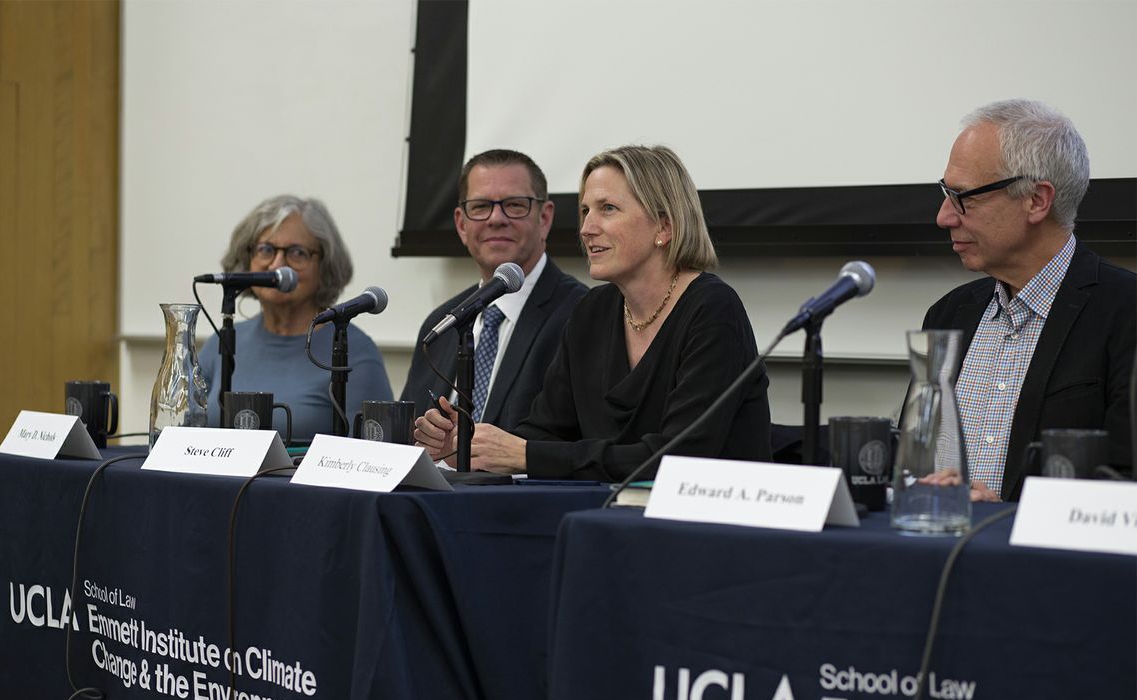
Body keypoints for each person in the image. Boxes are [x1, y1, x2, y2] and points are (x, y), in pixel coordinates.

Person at [416, 145, 772, 481]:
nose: (587, 229)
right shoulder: (593, 312)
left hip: (705, 529)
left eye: (608, 209)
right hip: (606, 520)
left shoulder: (712, 310)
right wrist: (469, 446)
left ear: (663, 227)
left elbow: (680, 458)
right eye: (586, 211)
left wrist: (526, 454)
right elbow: (544, 432)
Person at [922, 99, 1135, 502]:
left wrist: (1006, 517)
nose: (944, 216)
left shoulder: (1126, 313)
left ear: (1036, 200)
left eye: (963, 197)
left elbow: (1126, 487)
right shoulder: (948, 314)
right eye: (945, 193)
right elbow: (919, 461)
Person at [399, 149, 587, 430]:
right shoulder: (441, 325)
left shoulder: (582, 314)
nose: (496, 218)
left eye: (514, 205)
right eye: (481, 206)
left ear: (545, 219)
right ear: (462, 224)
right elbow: (405, 435)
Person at [199, 195, 393, 442]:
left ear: (325, 266)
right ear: (247, 259)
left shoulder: (355, 351)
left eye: (297, 253)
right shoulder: (221, 343)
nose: (279, 266)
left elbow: (376, 456)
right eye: (266, 250)